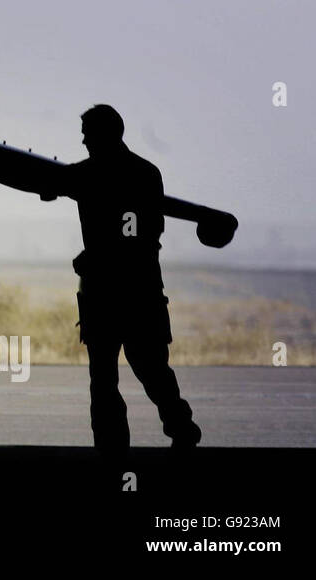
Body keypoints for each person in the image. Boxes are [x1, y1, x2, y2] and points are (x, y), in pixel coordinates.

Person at [62, 105, 201, 460]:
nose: (82, 139)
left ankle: (112, 451)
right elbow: (144, 235)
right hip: (141, 292)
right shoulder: (145, 173)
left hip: (107, 293)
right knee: (151, 370)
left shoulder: (87, 175)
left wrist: (95, 258)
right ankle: (181, 429)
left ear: (104, 133)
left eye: (87, 132)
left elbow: (136, 237)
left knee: (107, 380)